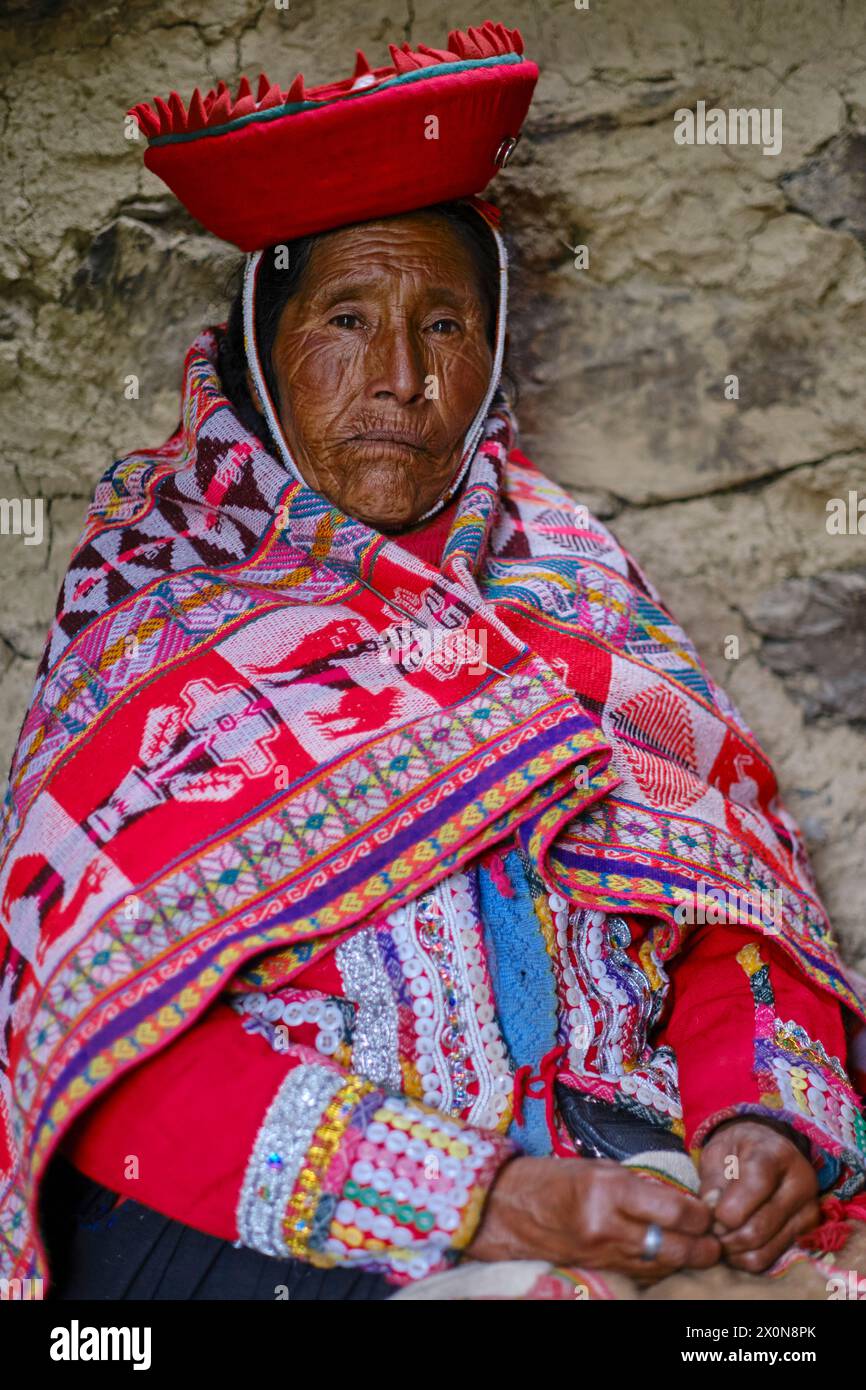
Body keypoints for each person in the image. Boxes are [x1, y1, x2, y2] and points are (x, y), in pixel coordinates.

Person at [1, 19, 865, 1302]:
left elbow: (719, 916)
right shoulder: (158, 609)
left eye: (445, 324)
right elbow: (101, 1046)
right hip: (252, 1223)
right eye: (345, 317)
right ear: (259, 350)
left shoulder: (568, 580)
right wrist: (482, 1202)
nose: (399, 377)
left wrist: (758, 1124)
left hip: (610, 1166)